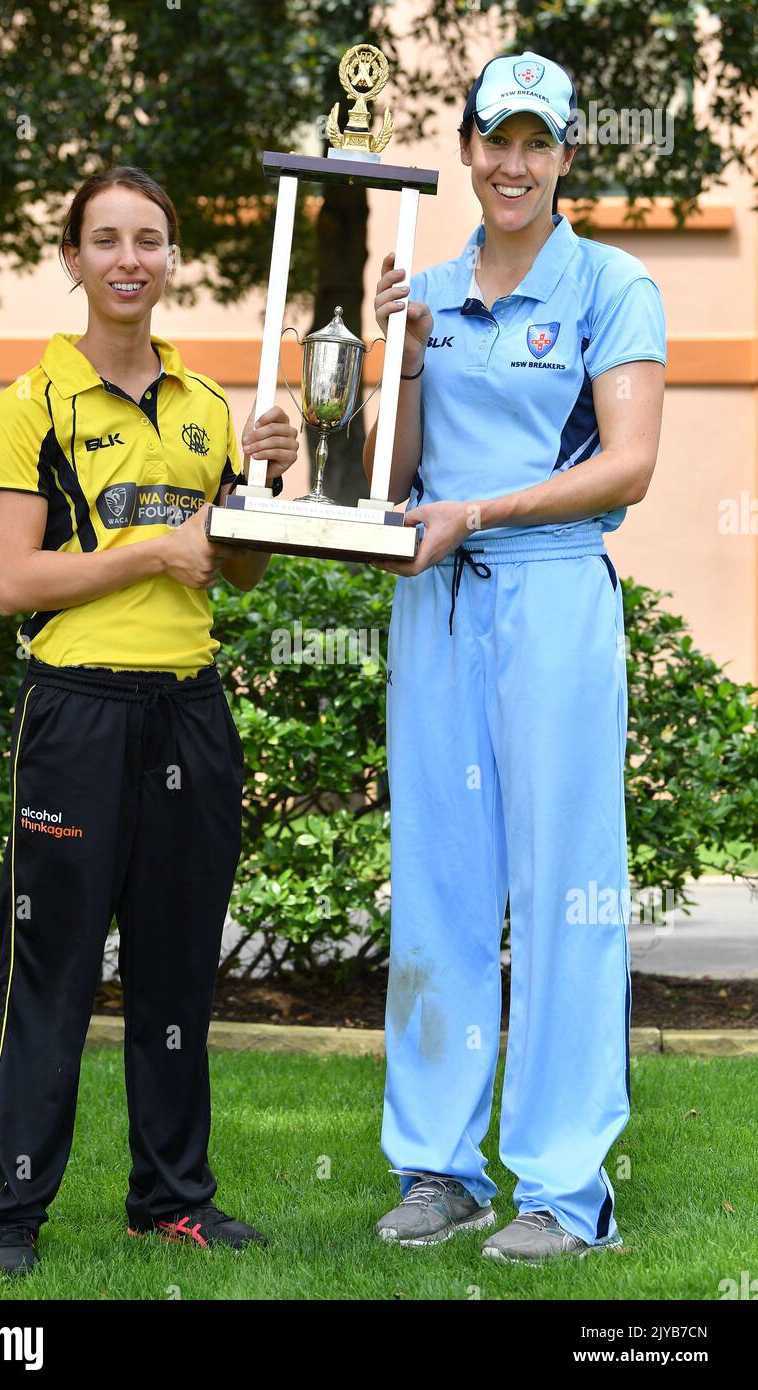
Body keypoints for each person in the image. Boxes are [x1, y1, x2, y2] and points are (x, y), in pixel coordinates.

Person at [0, 166, 298, 1273]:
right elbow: (12, 581)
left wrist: (266, 490)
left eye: (149, 239)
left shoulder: (204, 408)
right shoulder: (30, 405)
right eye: (105, 239)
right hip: (80, 712)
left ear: (172, 257)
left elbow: (233, 573)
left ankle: (172, 1198)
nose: (128, 260)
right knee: (48, 967)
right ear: (72, 260)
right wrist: (155, 548)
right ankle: (5, 1214)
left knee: (174, 968)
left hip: (189, 713)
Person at [363, 51, 666, 1261]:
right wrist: (386, 365)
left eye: (537, 142)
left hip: (545, 600)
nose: (513, 164)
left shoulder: (611, 281)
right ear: (467, 148)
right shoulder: (422, 290)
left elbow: (627, 462)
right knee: (435, 880)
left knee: (560, 893)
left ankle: (561, 1187)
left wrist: (478, 515)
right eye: (496, 138)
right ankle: (436, 1169)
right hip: (433, 602)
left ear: (566, 155)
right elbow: (389, 487)